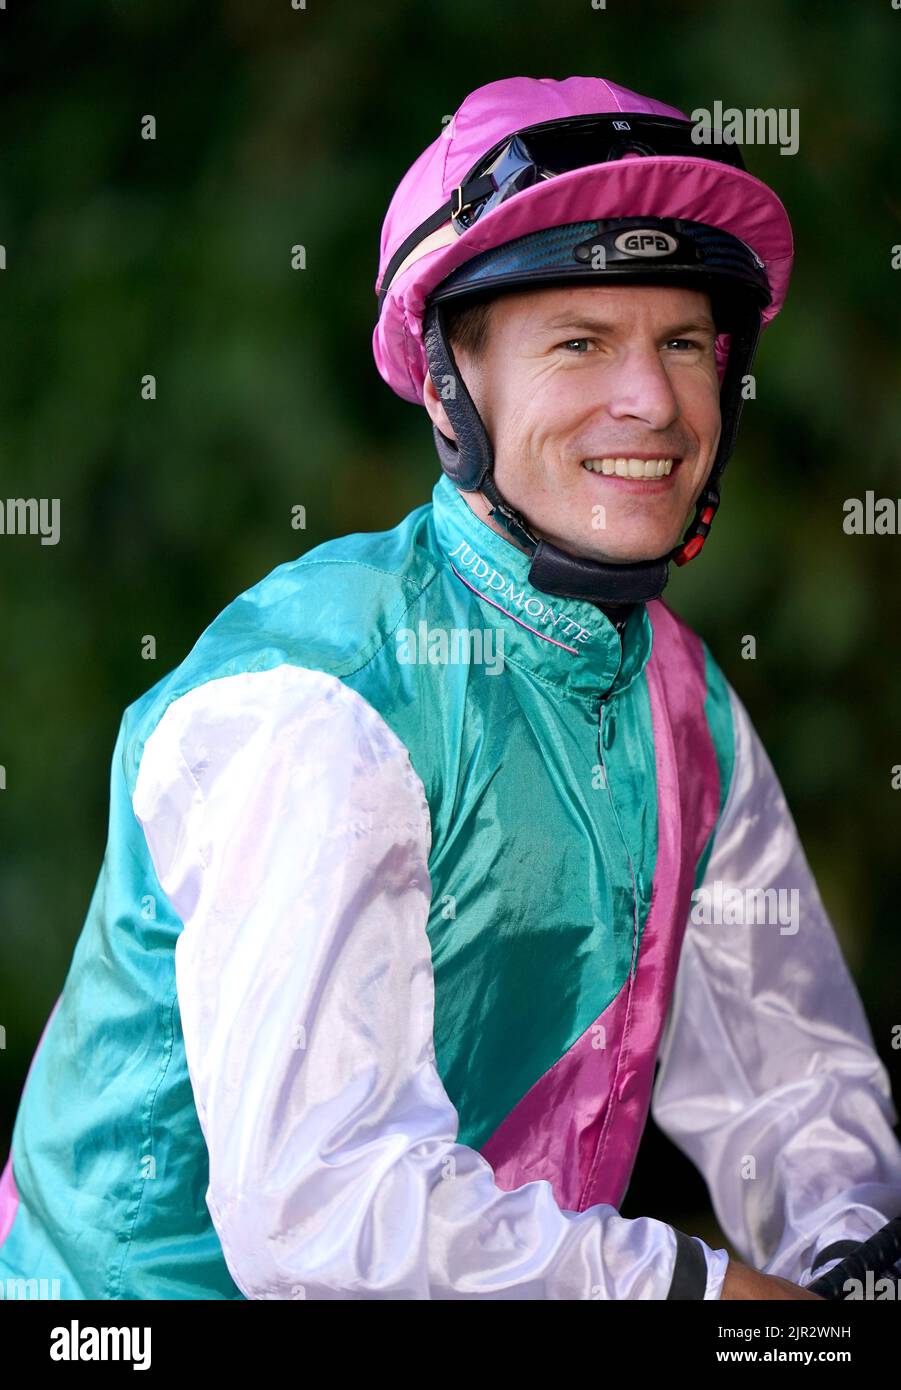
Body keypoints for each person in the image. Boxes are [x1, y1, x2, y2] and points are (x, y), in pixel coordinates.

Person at [2, 74, 900, 1302]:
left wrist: (855, 1259)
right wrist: (696, 1292)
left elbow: (790, 1081)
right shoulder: (323, 704)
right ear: (445, 387)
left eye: (682, 340)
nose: (651, 398)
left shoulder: (681, 701)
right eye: (579, 341)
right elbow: (320, 1214)